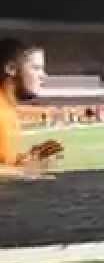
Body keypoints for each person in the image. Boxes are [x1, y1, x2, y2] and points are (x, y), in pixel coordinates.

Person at [0, 38, 63, 182]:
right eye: (36, 68)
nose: (44, 75)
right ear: (11, 69)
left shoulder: (9, 109)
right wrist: (25, 173)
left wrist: (30, 158)